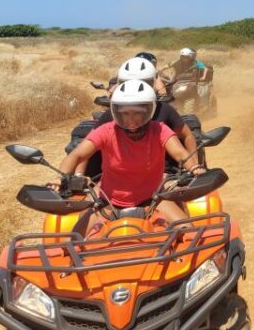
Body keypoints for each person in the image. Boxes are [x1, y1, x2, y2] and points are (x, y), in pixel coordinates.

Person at [50, 80, 207, 234]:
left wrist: (194, 167)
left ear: (148, 111)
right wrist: (61, 177)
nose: (131, 119)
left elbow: (180, 153)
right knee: (71, 244)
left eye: (137, 113)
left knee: (190, 233)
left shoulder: (159, 129)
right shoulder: (106, 130)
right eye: (125, 113)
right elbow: (77, 154)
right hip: (107, 202)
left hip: (154, 198)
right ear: (117, 112)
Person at [70, 57, 200, 177]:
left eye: (144, 82)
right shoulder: (112, 115)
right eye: (127, 82)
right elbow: (85, 148)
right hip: (119, 175)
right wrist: (79, 175)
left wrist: (194, 166)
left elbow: (187, 137)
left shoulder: (165, 112)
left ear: (154, 82)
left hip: (162, 174)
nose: (136, 87)